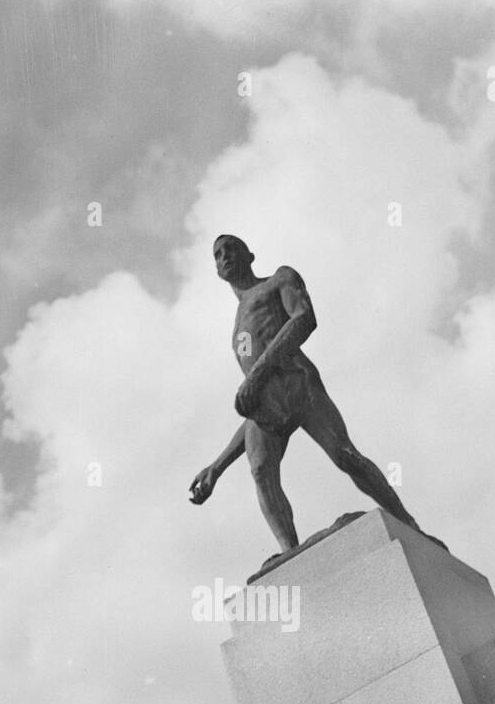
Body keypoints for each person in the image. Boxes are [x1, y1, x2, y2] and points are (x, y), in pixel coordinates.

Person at [190, 235, 445, 561]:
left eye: (232, 249)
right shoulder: (237, 325)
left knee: (345, 455)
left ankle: (408, 524)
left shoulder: (279, 280)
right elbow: (253, 401)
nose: (225, 256)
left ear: (250, 255)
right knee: (261, 470)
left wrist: (258, 373)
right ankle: (290, 557)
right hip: (268, 405)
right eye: (218, 254)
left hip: (300, 386)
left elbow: (304, 319)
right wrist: (216, 467)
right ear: (216, 269)